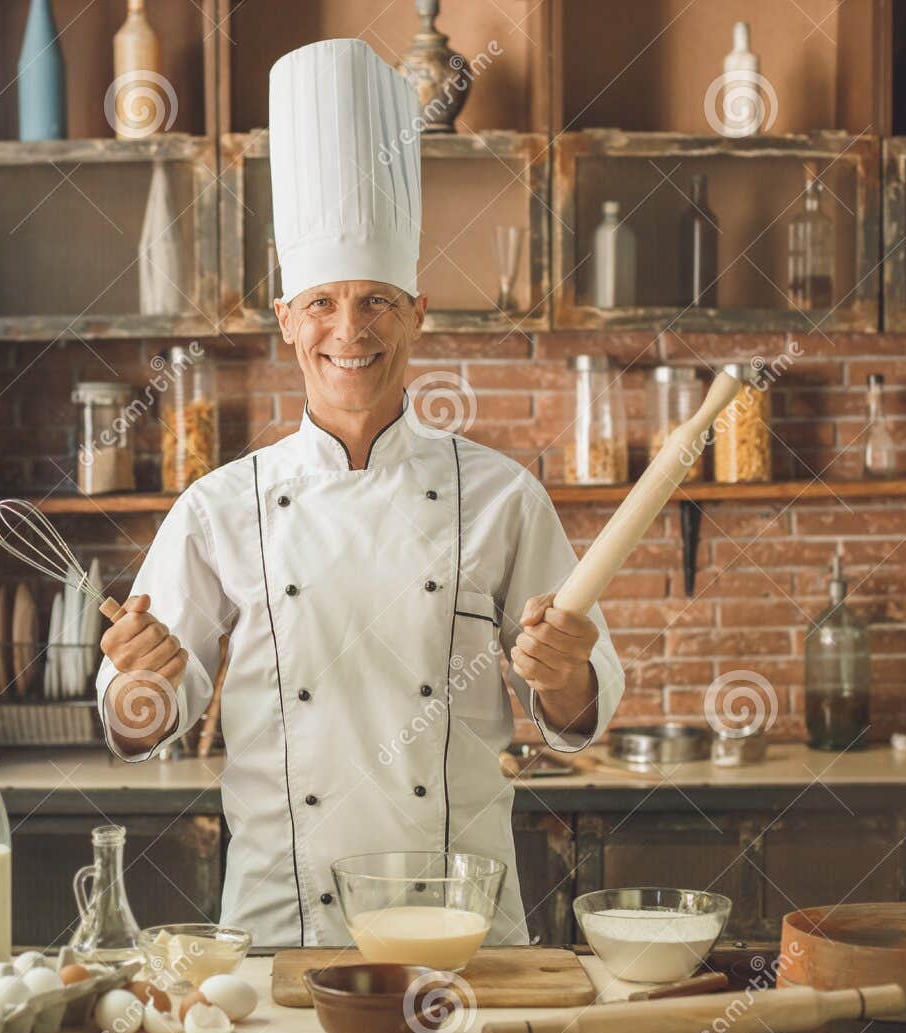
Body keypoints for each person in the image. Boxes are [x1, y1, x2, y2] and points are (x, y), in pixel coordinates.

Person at [96, 39, 623, 948]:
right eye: (324, 304)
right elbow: (141, 718)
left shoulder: (502, 496)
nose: (351, 330)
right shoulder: (220, 506)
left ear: (418, 314)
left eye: (377, 300)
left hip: (464, 927)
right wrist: (141, 682)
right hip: (278, 933)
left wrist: (565, 673)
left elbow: (576, 707)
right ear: (287, 322)